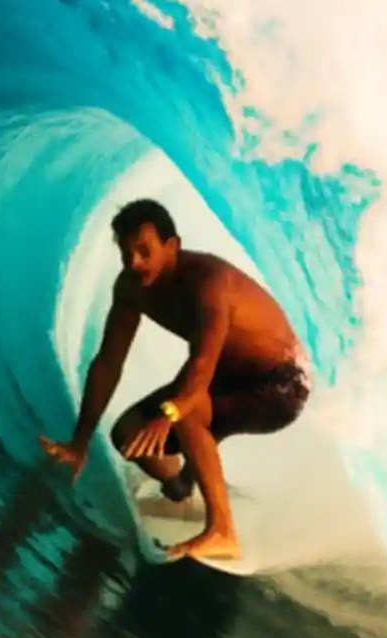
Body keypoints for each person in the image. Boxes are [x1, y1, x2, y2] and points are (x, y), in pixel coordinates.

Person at [39, 199, 311, 560]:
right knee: (128, 434)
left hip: (280, 385)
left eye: (144, 251)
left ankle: (222, 530)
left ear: (173, 246)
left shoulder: (209, 283)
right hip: (224, 377)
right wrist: (80, 442)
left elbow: (202, 360)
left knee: (186, 408)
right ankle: (183, 488)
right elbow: (108, 363)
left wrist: (168, 414)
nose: (134, 262)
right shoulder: (131, 288)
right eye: (126, 253)